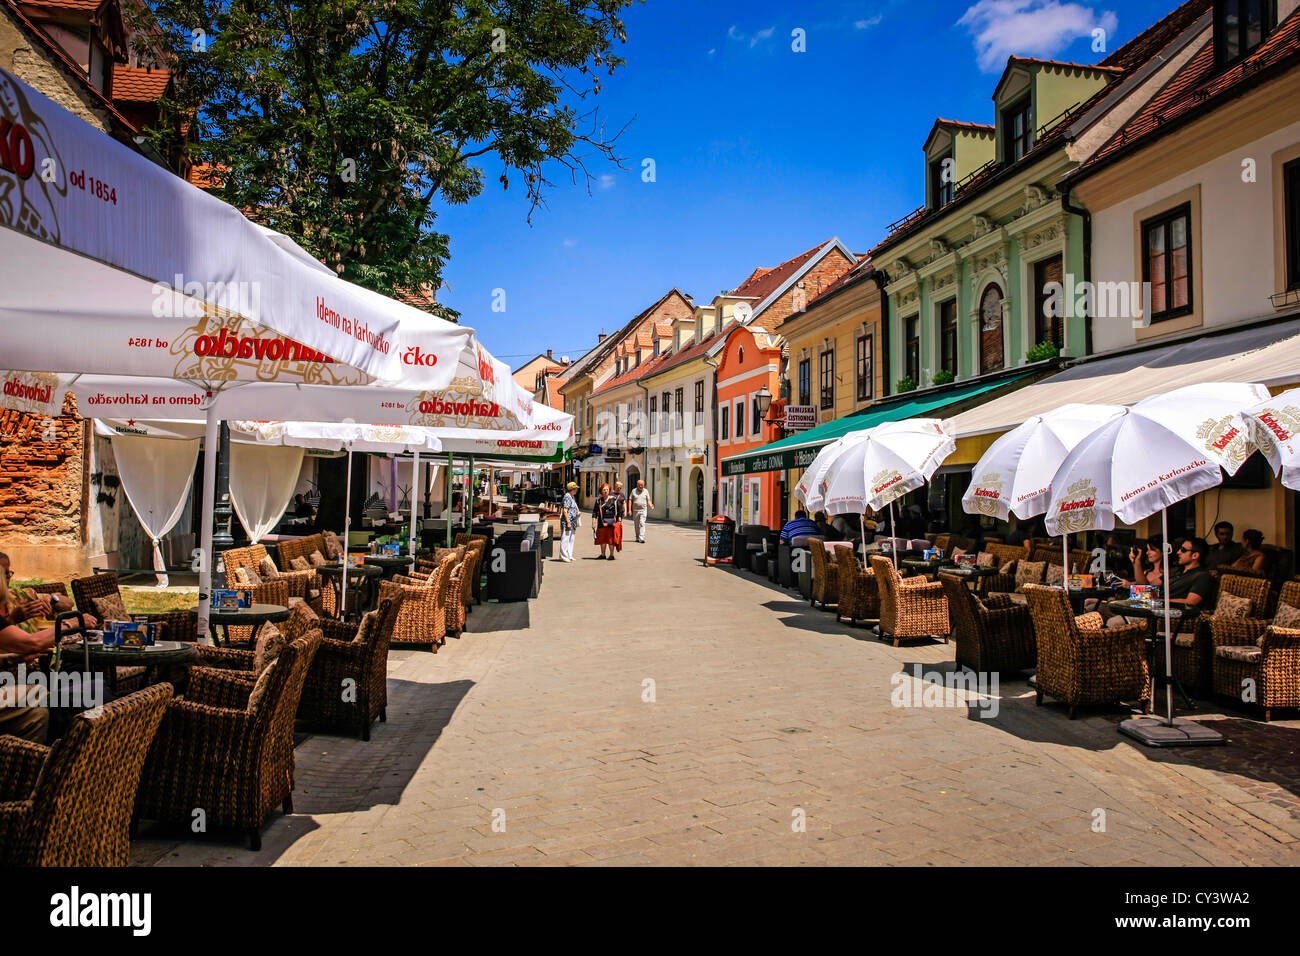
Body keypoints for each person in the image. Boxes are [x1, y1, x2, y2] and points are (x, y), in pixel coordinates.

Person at [0, 552, 74, 633]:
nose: (7, 577)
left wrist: (50, 599)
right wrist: (12, 620)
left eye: (8, 573)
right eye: (3, 573)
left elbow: (69, 603)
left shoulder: (21, 594)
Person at [1168, 537, 1214, 607]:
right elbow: (1155, 586)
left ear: (1195, 555)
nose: (1178, 552)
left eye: (1183, 550)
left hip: (1175, 612)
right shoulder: (1177, 571)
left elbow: (1190, 602)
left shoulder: (1203, 576)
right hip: (1156, 606)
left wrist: (1160, 602)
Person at [592, 483, 621, 559]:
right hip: (601, 523)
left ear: (609, 491)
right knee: (602, 539)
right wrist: (593, 522)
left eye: (607, 490)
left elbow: (619, 510)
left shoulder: (614, 500)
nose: (605, 491)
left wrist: (619, 520)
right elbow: (595, 512)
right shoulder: (598, 501)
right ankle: (603, 554)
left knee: (611, 539)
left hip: (612, 523)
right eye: (604, 490)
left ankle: (611, 555)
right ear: (601, 491)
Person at [559, 481, 579, 562]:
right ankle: (563, 556)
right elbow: (565, 510)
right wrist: (568, 522)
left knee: (571, 539)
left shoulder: (572, 497)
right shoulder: (567, 497)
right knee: (565, 538)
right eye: (575, 488)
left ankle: (569, 555)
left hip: (573, 521)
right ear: (572, 489)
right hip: (568, 521)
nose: (576, 490)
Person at [613, 481, 628, 552]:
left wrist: (625, 511)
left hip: (619, 515)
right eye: (618, 487)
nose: (619, 489)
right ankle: (613, 540)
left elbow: (624, 503)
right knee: (612, 528)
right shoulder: (611, 494)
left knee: (618, 528)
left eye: (620, 488)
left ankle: (617, 541)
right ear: (615, 486)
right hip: (612, 515)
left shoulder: (622, 494)